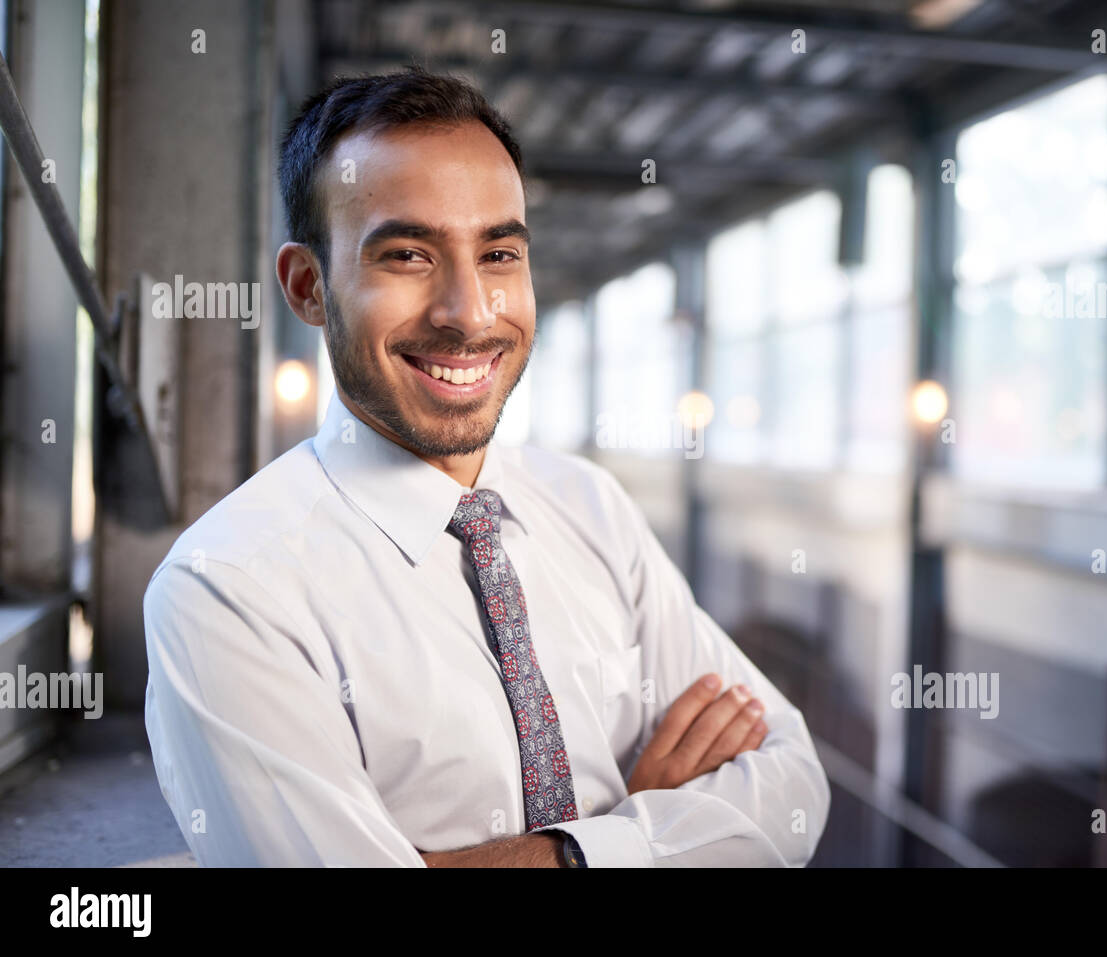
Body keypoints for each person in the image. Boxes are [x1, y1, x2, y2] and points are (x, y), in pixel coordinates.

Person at [142, 67, 830, 867]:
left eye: (499, 252)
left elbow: (792, 788)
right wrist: (628, 832)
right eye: (406, 254)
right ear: (309, 286)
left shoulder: (590, 505)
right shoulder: (228, 587)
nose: (468, 312)